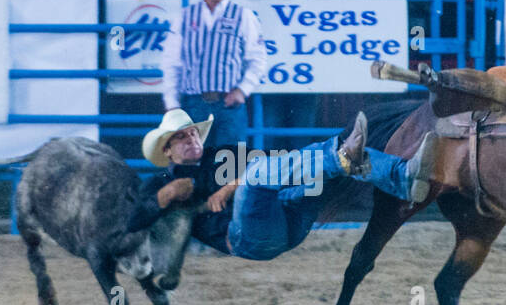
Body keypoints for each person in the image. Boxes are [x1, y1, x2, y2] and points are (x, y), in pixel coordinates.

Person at [127, 108, 437, 262]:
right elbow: (133, 221)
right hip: (245, 239)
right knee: (316, 160)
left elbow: (277, 166)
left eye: (192, 133)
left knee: (327, 156)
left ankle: (402, 178)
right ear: (166, 151)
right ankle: (344, 158)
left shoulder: (223, 155)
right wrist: (165, 196)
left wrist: (229, 186)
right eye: (180, 137)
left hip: (289, 217)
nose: (190, 139)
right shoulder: (160, 182)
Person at [160, 0, 267, 154]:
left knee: (230, 164)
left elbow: (258, 58)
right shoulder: (185, 17)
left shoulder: (243, 16)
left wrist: (243, 89)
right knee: (194, 163)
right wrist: (172, 104)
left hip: (229, 104)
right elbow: (171, 61)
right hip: (193, 104)